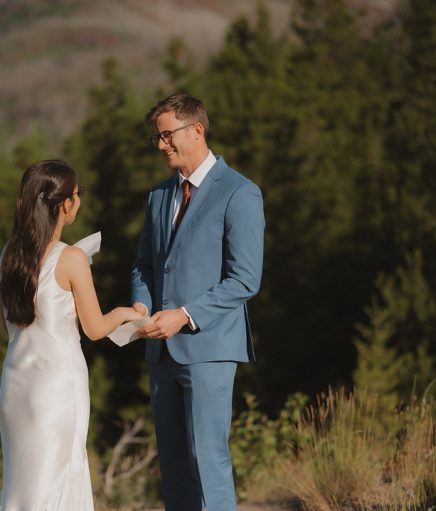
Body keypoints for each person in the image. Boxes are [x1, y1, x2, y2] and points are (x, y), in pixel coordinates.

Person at [131, 94, 265, 511]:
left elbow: (245, 279)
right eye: (157, 137)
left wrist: (184, 316)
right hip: (160, 350)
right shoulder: (158, 195)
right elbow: (144, 267)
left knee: (207, 459)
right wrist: (140, 309)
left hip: (209, 348)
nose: (161, 145)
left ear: (197, 130)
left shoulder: (240, 193)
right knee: (173, 468)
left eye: (167, 135)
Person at [0, 159, 143, 511]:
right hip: (57, 388)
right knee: (58, 483)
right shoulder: (72, 258)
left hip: (15, 387)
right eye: (78, 195)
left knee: (21, 492)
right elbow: (95, 329)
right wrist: (125, 313)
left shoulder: (9, 255)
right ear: (66, 204)